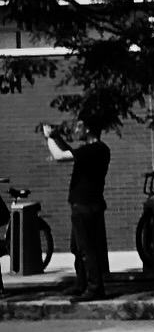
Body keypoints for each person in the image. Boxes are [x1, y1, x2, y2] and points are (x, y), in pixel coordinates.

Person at [41, 120, 111, 301]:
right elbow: (70, 151)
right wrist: (57, 138)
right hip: (88, 204)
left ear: (87, 128)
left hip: (85, 205)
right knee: (77, 247)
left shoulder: (92, 150)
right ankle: (81, 284)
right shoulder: (98, 150)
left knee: (87, 248)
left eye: (79, 127)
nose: (75, 130)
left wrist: (49, 138)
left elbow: (60, 156)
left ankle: (95, 288)